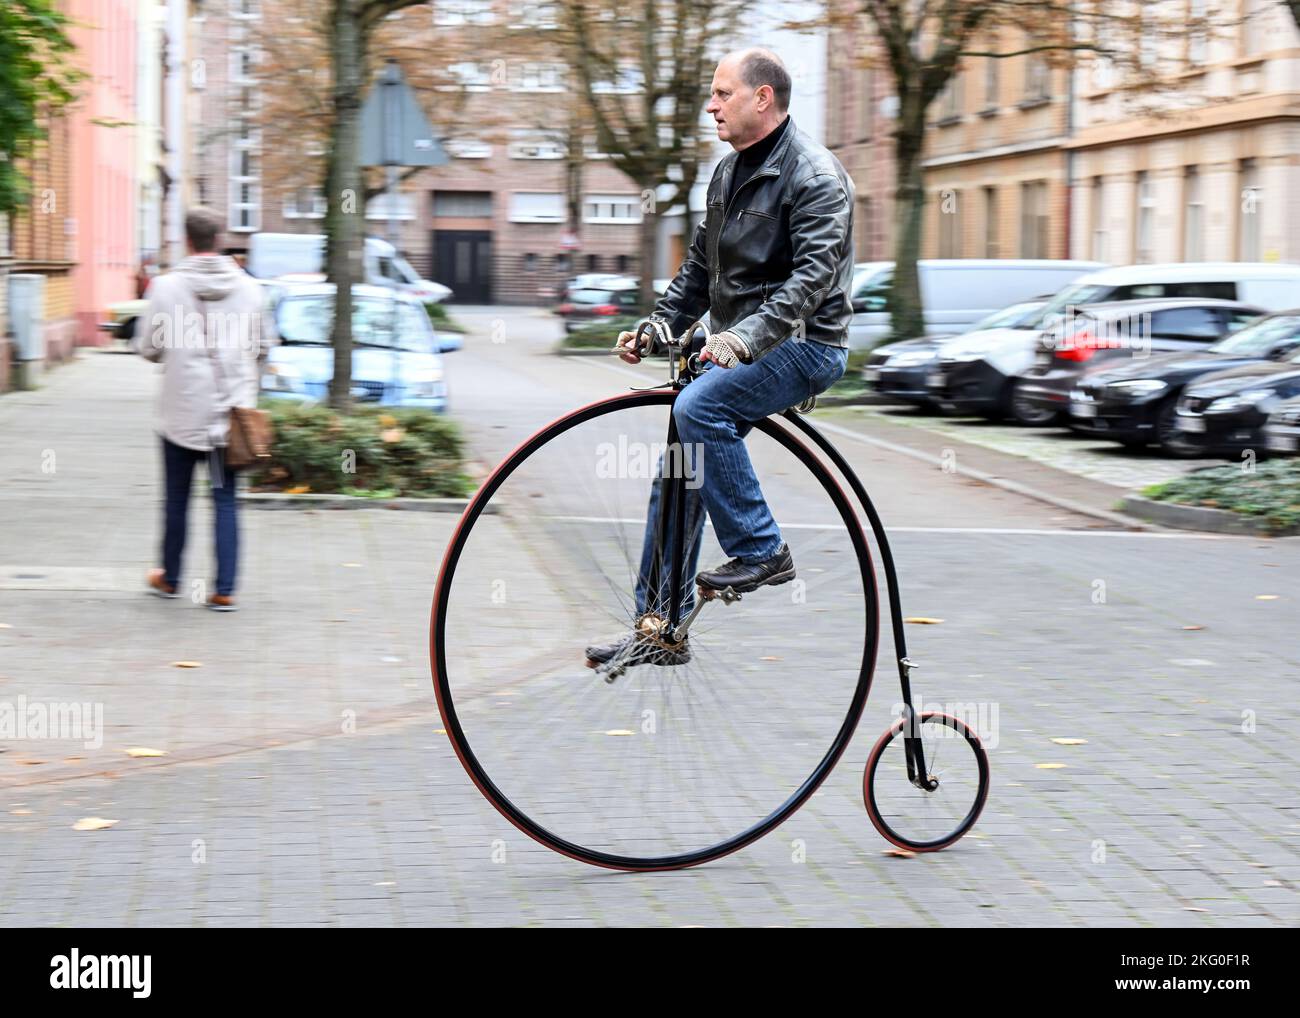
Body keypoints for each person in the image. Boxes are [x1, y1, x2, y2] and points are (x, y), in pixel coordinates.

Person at [586, 47, 855, 669]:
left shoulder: (815, 176)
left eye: (722, 93)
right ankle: (659, 627)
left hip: (806, 345)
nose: (710, 105)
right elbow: (699, 274)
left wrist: (744, 339)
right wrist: (657, 327)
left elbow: (811, 281)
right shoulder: (728, 174)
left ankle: (762, 548)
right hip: (742, 351)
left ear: (763, 98)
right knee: (681, 465)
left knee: (701, 407)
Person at [139, 207, 276, 611]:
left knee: (176, 500)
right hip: (228, 424)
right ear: (221, 240)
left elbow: (148, 348)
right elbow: (265, 347)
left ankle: (170, 579)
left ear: (187, 239)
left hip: (180, 418)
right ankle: (224, 589)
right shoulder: (251, 290)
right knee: (225, 500)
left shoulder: (164, 288)